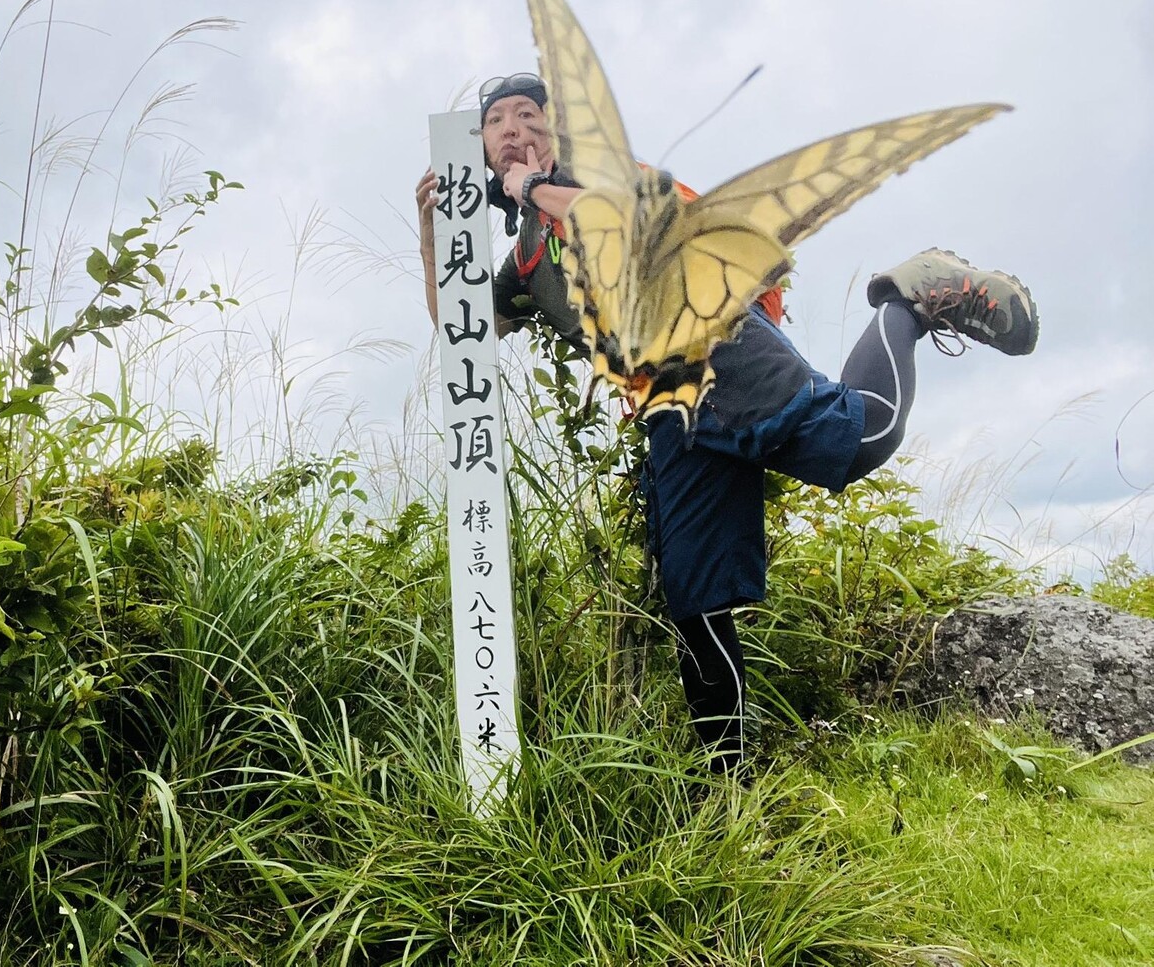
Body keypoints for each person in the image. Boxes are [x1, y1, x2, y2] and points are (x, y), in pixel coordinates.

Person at [416, 73, 1039, 775]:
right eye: (495, 121)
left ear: (555, 132)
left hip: (717, 346)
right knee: (695, 599)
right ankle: (728, 784)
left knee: (865, 435)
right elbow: (464, 329)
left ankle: (907, 296)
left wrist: (530, 185)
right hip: (668, 412)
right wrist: (431, 230)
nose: (511, 129)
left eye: (526, 114)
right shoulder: (527, 253)